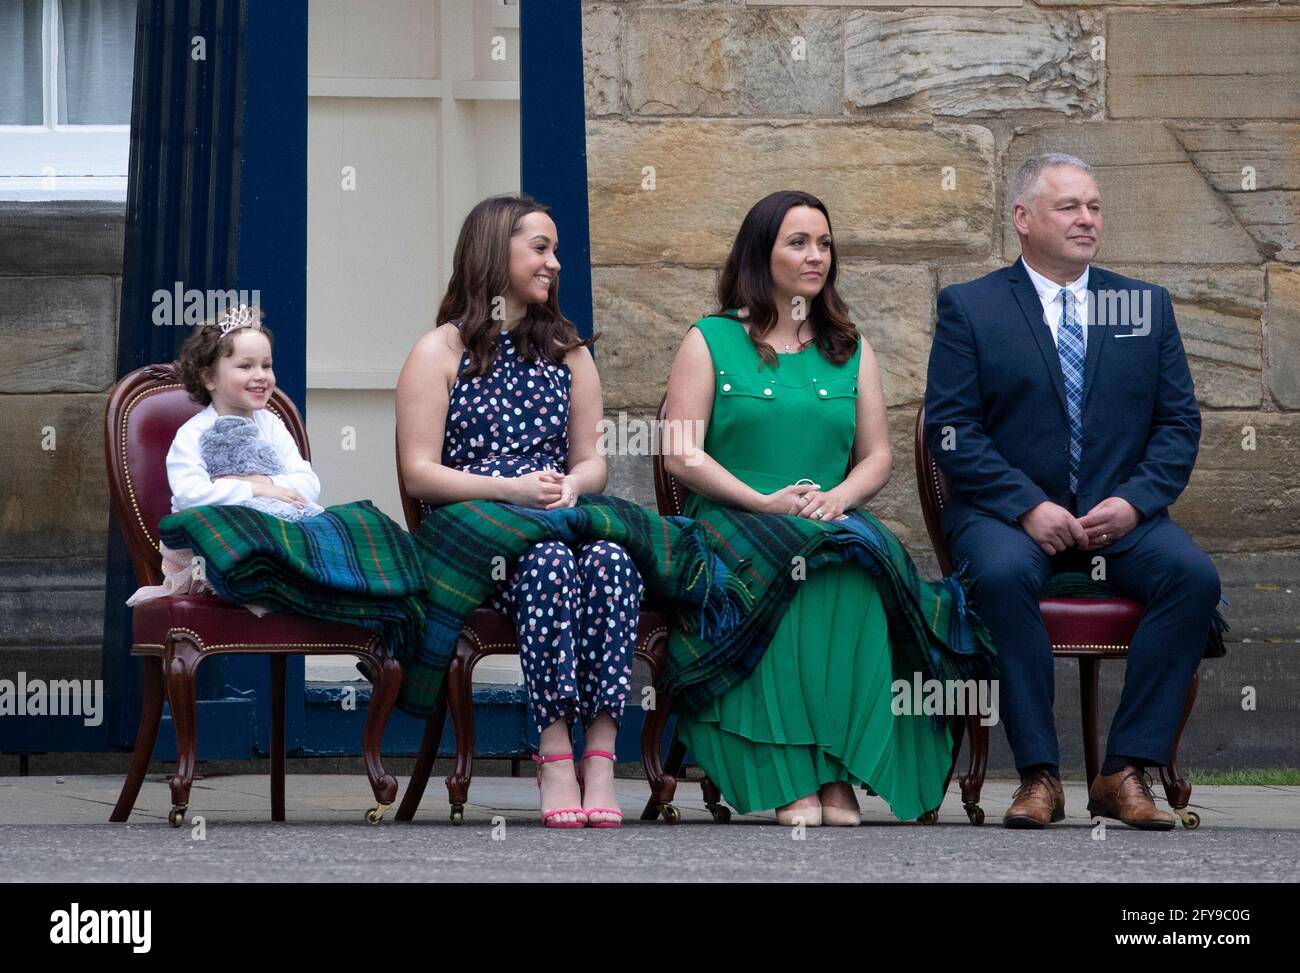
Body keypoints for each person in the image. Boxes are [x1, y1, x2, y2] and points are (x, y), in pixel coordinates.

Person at [924, 153, 1220, 831]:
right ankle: (1038, 776)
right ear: (1023, 219)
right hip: (1006, 515)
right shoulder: (972, 306)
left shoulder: (1143, 305)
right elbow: (951, 432)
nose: (1087, 219)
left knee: (1193, 578)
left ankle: (1124, 769)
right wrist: (1028, 505)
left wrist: (1136, 501)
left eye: (1094, 206)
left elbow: (1179, 424)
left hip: (1122, 517)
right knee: (999, 575)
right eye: (1069, 207)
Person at [663, 190, 959, 826]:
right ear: (760, 254)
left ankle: (836, 774)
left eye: (824, 243)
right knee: (789, 572)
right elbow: (681, 455)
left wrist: (839, 499)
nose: (815, 255)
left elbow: (876, 456)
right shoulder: (710, 340)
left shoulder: (851, 347)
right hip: (735, 517)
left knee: (857, 569)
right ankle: (789, 774)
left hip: (826, 515)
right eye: (798, 242)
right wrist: (763, 502)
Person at [396, 195, 642, 828]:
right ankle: (554, 750)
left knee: (614, 558)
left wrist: (570, 486)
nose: (554, 263)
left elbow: (593, 463)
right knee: (550, 561)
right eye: (540, 248)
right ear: (493, 251)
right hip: (477, 527)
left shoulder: (567, 352)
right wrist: (506, 489)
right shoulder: (440, 351)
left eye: (554, 250)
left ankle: (603, 753)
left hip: (554, 511)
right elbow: (418, 473)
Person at [169, 305, 321, 515]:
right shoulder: (194, 433)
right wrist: (254, 490)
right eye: (246, 366)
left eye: (266, 365)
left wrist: (262, 483)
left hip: (277, 526)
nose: (260, 375)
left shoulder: (272, 424)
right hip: (220, 533)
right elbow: (189, 494)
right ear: (209, 378)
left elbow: (309, 484)